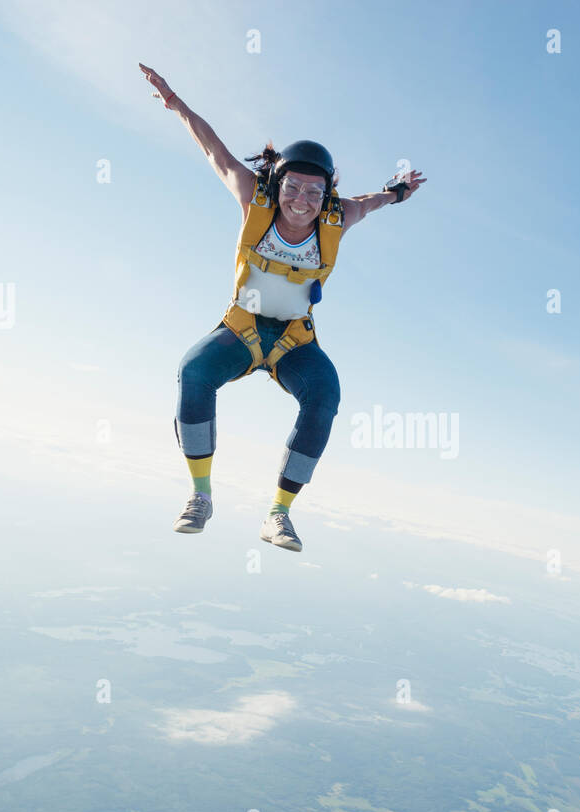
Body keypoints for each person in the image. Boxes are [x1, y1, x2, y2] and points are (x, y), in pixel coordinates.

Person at [140, 63, 426, 552]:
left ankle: (279, 513)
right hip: (243, 329)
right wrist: (176, 104)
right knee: (193, 372)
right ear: (278, 183)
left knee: (325, 396)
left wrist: (397, 192)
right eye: (292, 187)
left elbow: (372, 202)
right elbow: (215, 150)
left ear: (326, 194)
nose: (301, 200)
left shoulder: (338, 216)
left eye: (315, 192)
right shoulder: (256, 200)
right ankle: (201, 496)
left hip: (294, 339)